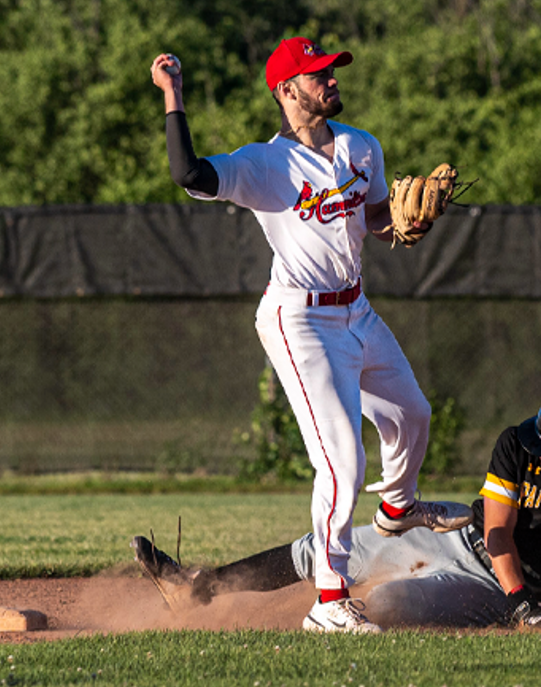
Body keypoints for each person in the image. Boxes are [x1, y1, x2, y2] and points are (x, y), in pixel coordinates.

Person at [148, 38, 472, 633]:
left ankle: (399, 510)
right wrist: (174, 97)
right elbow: (188, 173)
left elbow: (374, 220)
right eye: (316, 73)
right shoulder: (263, 165)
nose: (329, 79)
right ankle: (328, 602)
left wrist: (406, 223)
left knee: (413, 414)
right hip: (300, 322)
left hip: (357, 311)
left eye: (330, 70)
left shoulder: (360, 146)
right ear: (286, 90)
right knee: (342, 461)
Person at [132, 391, 541, 633]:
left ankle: (354, 612)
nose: (536, 451)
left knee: (395, 604)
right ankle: (199, 589)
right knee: (324, 549)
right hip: (469, 539)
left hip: (487, 589)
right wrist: (526, 601)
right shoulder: (517, 443)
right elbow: (498, 529)